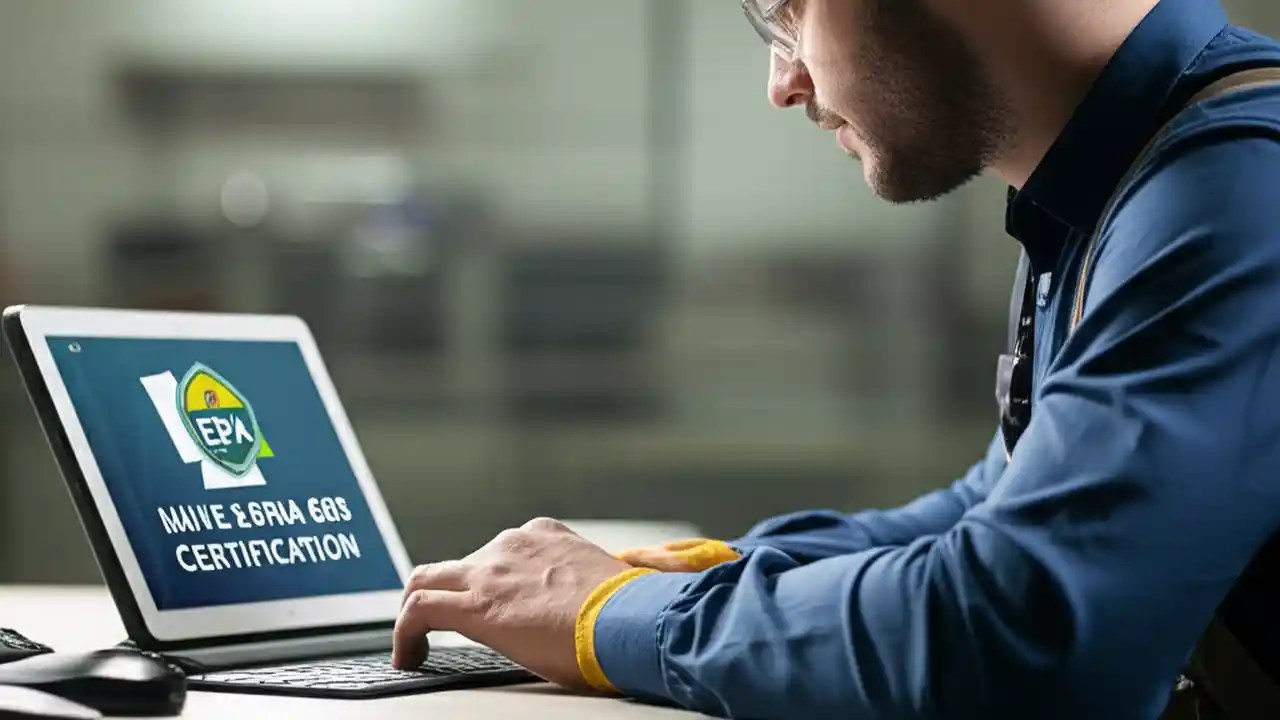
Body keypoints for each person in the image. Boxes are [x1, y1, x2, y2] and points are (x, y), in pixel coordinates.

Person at [391, 0, 1280, 717]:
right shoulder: (1124, 183)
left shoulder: (1235, 191)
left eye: (788, 11)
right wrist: (715, 568)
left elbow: (1027, 642)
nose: (783, 81)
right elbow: (998, 506)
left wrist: (606, 617)